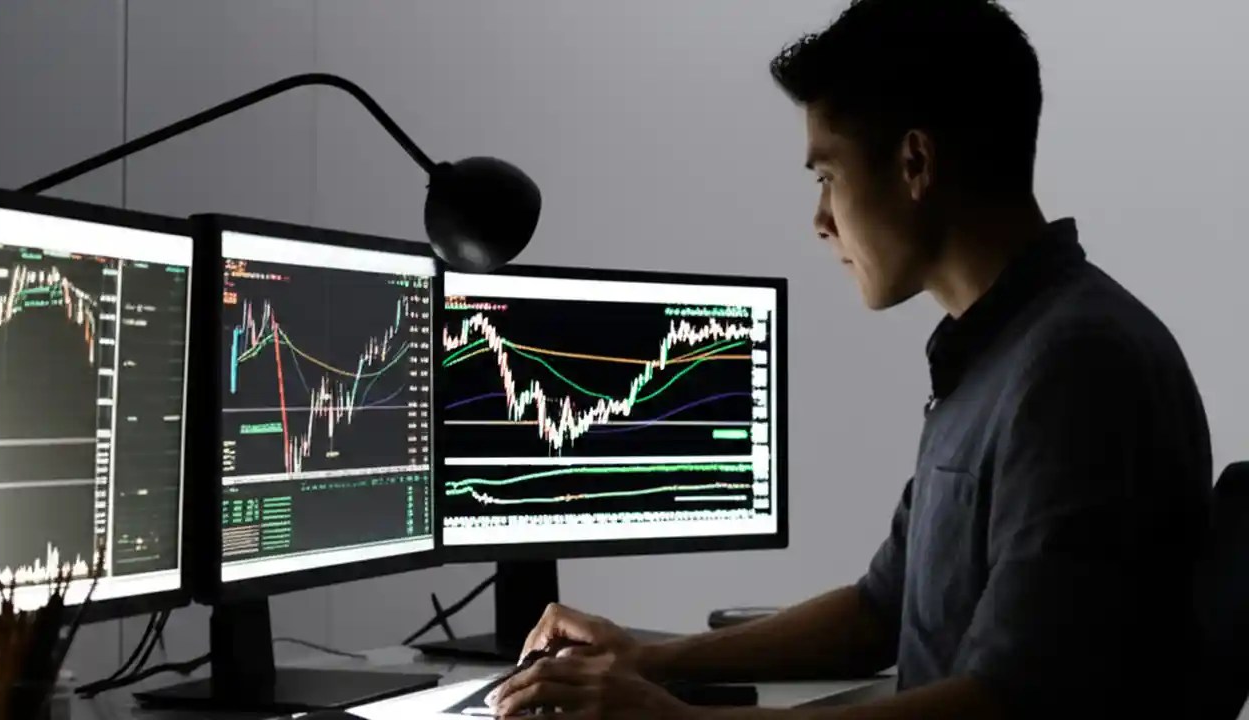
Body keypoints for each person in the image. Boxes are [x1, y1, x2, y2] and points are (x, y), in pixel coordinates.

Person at [486, 0, 1213, 718]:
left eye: (827, 176)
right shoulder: (996, 359)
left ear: (914, 163)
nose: (820, 219)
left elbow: (1009, 702)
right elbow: (877, 611)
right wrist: (648, 660)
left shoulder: (1075, 370)